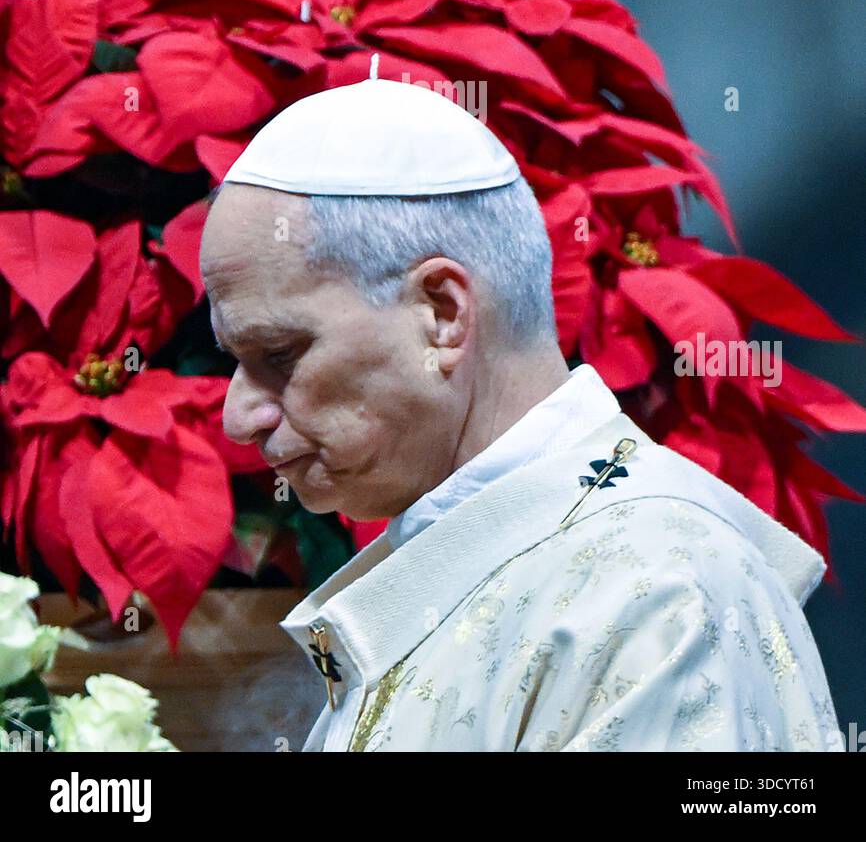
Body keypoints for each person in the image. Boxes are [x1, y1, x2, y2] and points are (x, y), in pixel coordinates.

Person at [199, 68, 842, 752]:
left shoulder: (652, 592)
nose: (239, 418)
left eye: (279, 352)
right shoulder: (489, 565)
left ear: (442, 313)